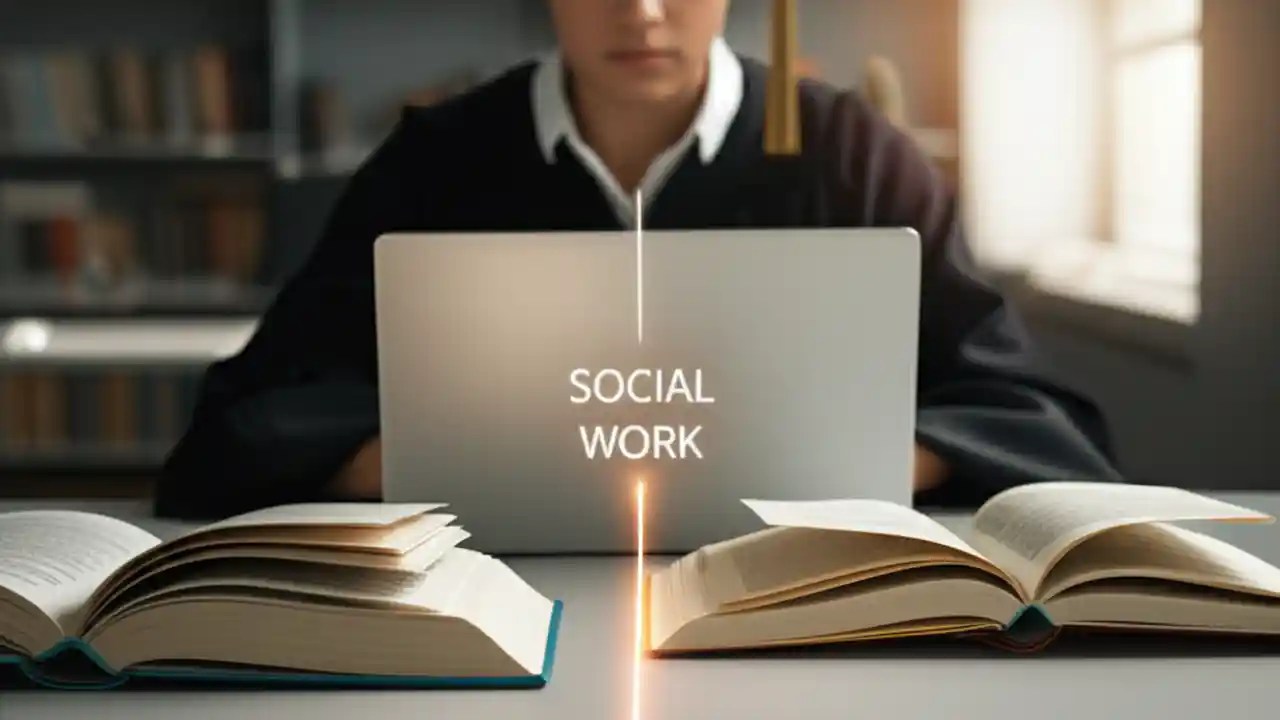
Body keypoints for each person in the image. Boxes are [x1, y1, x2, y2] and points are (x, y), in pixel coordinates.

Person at [156, 0, 1122, 519]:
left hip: (793, 591)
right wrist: (420, 462)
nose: (643, 11)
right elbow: (238, 429)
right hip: (489, 580)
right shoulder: (438, 157)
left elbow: (1038, 423)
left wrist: (857, 461)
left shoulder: (853, 152)